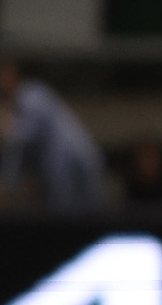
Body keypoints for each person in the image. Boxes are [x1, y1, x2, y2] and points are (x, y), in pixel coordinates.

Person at [0, 60, 105, 213]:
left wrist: (7, 126)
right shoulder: (28, 96)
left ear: (10, 73)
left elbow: (24, 135)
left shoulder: (32, 94)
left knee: (73, 213)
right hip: (71, 161)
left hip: (71, 161)